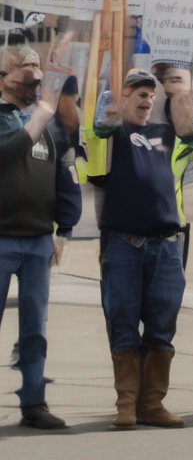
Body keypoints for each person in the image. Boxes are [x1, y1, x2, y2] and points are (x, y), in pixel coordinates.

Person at [89, 69, 193, 429]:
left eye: (150, 94)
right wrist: (108, 116)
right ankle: (126, 405)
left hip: (166, 246)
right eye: (137, 93)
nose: (146, 100)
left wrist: (182, 98)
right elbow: (96, 131)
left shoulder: (170, 134)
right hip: (122, 244)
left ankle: (152, 404)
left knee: (162, 328)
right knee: (123, 325)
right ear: (121, 97)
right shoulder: (111, 133)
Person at [0, 46, 80, 429]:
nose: (32, 73)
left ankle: (34, 402)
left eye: (36, 65)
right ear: (3, 77)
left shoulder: (47, 124)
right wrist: (42, 114)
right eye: (23, 67)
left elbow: (66, 178)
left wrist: (64, 229)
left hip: (37, 241)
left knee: (35, 328)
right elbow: (9, 152)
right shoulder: (6, 118)